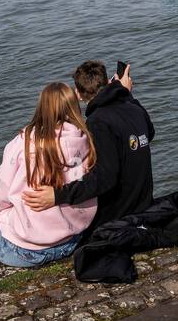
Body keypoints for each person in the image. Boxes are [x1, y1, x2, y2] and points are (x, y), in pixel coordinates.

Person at [0, 81, 98, 267]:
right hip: (73, 238)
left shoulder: (23, 143)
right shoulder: (85, 140)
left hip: (29, 249)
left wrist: (2, 214)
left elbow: (2, 192)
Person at [22, 61, 154, 228]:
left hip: (119, 214)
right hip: (143, 204)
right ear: (107, 82)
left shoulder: (97, 122)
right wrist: (126, 94)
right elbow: (149, 134)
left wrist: (57, 196)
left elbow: (105, 177)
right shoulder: (134, 108)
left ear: (77, 93)